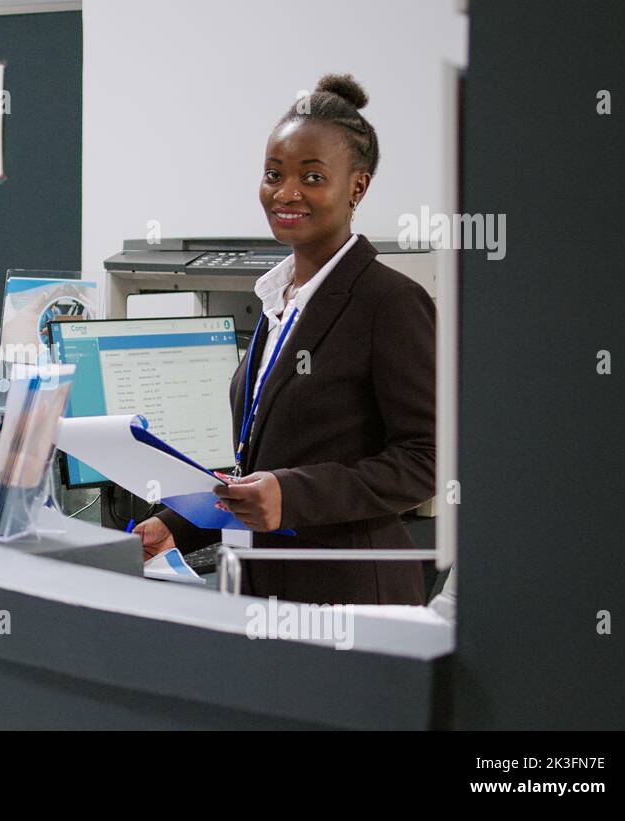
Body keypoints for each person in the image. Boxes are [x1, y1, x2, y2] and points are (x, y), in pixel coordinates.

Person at [134, 74, 436, 606]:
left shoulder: (388, 302)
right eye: (274, 174)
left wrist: (291, 495)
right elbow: (261, 463)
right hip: (266, 588)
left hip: (351, 595)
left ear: (357, 187)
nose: (285, 192)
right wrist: (178, 525)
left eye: (312, 177)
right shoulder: (280, 300)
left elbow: (424, 460)